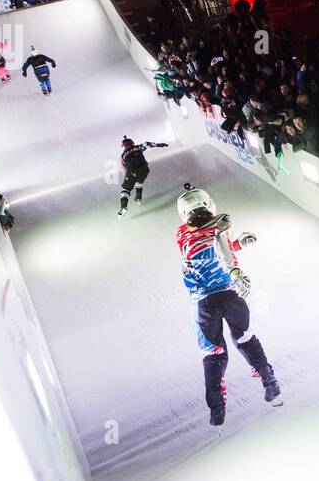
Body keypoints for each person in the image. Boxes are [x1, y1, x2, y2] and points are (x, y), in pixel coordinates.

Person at [175, 185, 281, 425]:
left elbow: (207, 250)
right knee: (244, 338)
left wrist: (235, 244)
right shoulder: (220, 226)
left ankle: (217, 410)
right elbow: (219, 249)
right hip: (231, 295)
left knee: (213, 353)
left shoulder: (181, 233)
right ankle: (270, 383)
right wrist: (233, 262)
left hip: (204, 303)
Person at [117, 136, 169, 216]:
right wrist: (159, 144)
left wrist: (129, 177)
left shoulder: (123, 155)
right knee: (139, 182)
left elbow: (124, 168)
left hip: (132, 170)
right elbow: (147, 144)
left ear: (123, 146)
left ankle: (123, 206)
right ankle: (138, 199)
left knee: (126, 190)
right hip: (144, 169)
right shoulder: (138, 147)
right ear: (132, 143)